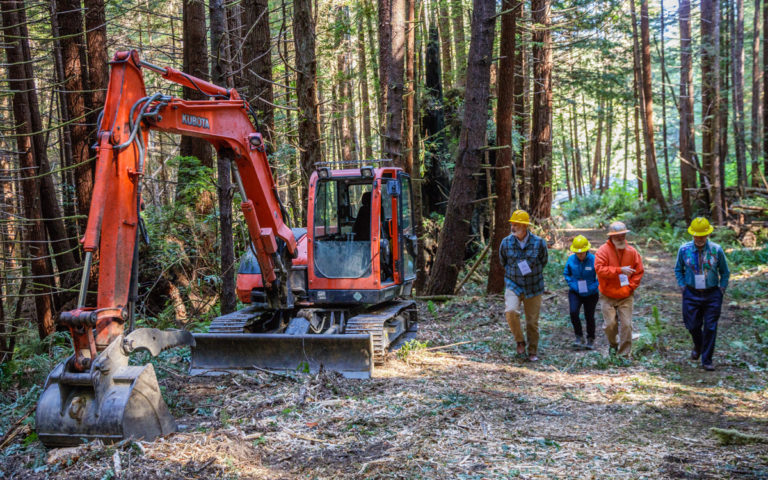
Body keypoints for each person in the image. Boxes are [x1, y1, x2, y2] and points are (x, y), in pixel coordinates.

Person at [674, 217, 730, 371]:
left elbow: (725, 272)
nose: (699, 239)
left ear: (707, 235)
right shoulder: (684, 250)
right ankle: (698, 345)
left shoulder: (716, 250)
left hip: (712, 294)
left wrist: (722, 289)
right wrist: (682, 286)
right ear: (692, 235)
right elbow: (678, 269)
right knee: (692, 325)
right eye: (696, 235)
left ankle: (707, 360)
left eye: (702, 236)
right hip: (691, 292)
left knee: (710, 327)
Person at [499, 209, 549, 362]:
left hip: (533, 286)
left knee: (532, 322)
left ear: (525, 226)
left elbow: (543, 260)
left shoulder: (539, 243)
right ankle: (520, 341)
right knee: (511, 311)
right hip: (513, 284)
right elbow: (503, 261)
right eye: (512, 224)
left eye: (517, 224)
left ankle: (532, 350)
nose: (513, 227)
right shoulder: (506, 242)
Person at [594, 221, 644, 358]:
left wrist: (630, 287)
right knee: (610, 325)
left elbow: (639, 271)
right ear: (611, 237)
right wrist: (619, 270)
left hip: (626, 296)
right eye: (617, 236)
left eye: (623, 235)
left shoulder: (632, 252)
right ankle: (613, 345)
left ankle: (624, 355)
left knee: (627, 325)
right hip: (607, 295)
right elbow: (599, 269)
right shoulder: (603, 251)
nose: (621, 238)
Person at [563, 235, 599, 350]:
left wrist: (593, 287)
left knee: (589, 315)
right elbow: (566, 274)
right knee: (573, 313)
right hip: (575, 291)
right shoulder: (571, 260)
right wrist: (573, 285)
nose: (580, 255)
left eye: (582, 253)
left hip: (591, 293)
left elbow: (600, 276)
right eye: (578, 253)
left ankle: (590, 338)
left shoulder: (594, 260)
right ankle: (579, 336)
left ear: (586, 250)